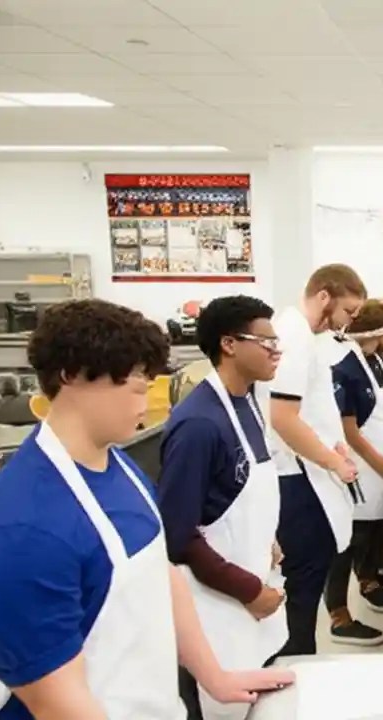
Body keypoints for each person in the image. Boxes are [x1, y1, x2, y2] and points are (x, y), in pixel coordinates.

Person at [0, 299, 292, 720]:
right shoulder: (20, 530)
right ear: (72, 377)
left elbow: (160, 574)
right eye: (136, 387)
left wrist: (216, 678)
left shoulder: (118, 465)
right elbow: (58, 705)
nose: (145, 403)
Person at [158, 295, 288, 720]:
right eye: (265, 341)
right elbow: (177, 536)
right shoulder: (198, 424)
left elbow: (239, 492)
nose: (276, 350)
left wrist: (267, 537)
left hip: (251, 580)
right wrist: (249, 591)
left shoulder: (247, 402)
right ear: (229, 344)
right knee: (222, 709)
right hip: (218, 600)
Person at [269, 264, 366, 657]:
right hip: (297, 480)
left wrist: (333, 444)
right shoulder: (293, 337)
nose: (347, 323)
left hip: (307, 469)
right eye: (348, 312)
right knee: (302, 592)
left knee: (305, 586)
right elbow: (282, 418)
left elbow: (310, 409)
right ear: (324, 296)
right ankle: (297, 673)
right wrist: (333, 461)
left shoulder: (303, 336)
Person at [323, 300, 383, 646]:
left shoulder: (372, 362)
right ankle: (339, 616)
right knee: (348, 538)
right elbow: (351, 432)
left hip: (380, 466)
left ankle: (370, 580)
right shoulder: (345, 369)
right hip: (361, 466)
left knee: (373, 529)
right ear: (377, 333)